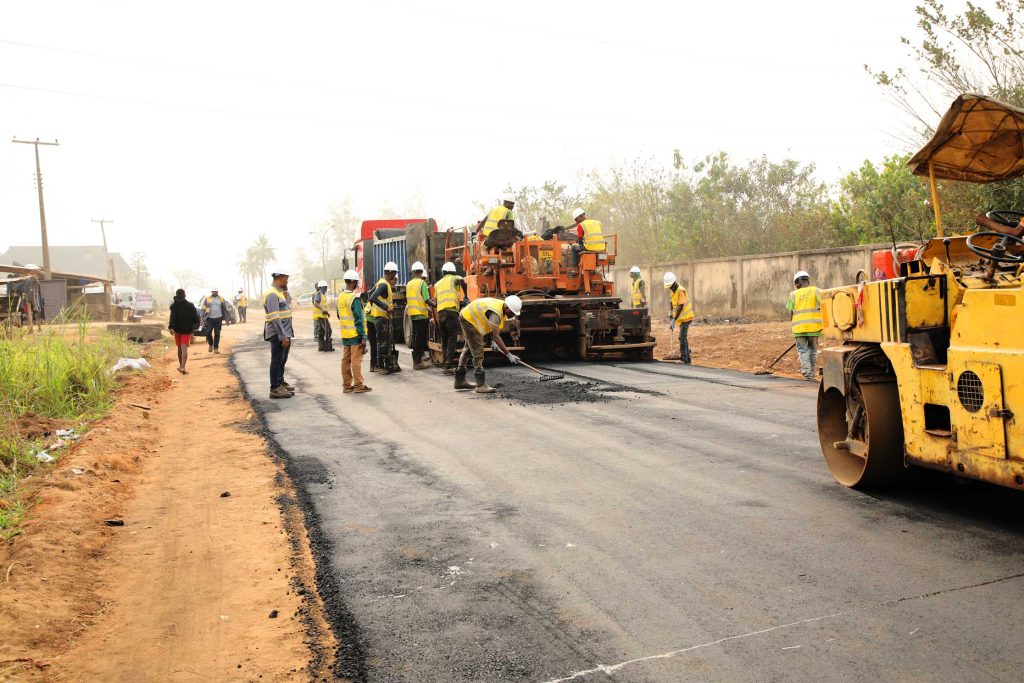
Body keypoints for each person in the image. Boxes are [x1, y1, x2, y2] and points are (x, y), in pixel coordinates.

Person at [455, 295, 522, 394]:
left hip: (468, 316)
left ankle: (460, 381)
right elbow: (496, 335)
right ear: (507, 307)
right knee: (478, 351)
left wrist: (493, 342)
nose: (512, 315)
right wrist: (508, 354)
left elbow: (493, 329)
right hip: (468, 319)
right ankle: (481, 385)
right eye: (511, 312)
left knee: (468, 348)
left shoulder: (501, 308)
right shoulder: (496, 314)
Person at [337, 269, 371, 394]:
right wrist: (363, 336)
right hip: (355, 335)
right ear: (353, 282)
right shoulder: (354, 298)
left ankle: (346, 385)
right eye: (356, 282)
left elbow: (339, 315)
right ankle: (358, 385)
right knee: (356, 362)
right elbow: (359, 319)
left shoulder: (340, 297)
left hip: (345, 335)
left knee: (345, 361)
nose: (357, 284)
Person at [263, 267, 296, 399]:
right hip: (278, 333)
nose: (287, 281)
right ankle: (274, 388)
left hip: (285, 332)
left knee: (282, 359)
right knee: (276, 360)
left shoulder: (280, 292)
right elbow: (275, 318)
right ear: (280, 278)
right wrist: (282, 336)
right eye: (286, 278)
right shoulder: (272, 294)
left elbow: (287, 306)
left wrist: (286, 293)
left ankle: (280, 382)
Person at [432, 261, 469, 374]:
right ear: (453, 272)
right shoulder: (454, 278)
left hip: (441, 314)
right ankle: (448, 365)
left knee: (445, 339)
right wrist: (466, 296)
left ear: (443, 272)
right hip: (452, 312)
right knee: (452, 339)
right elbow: (463, 281)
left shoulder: (437, 284)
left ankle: (445, 364)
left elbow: (435, 301)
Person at [787, 270, 823, 381]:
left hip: (799, 329)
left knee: (803, 350)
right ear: (808, 280)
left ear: (797, 282)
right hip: (814, 328)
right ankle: (811, 374)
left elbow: (791, 313)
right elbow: (824, 304)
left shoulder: (793, 294)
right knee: (812, 350)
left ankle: (807, 374)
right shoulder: (817, 291)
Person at [367, 261, 401, 374]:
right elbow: (372, 297)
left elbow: (369, 295)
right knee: (382, 343)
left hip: (379, 317)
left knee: (382, 342)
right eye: (394, 273)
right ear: (390, 273)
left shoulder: (381, 282)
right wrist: (386, 307)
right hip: (381, 317)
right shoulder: (383, 285)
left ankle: (379, 365)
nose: (394, 276)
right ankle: (381, 366)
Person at [663, 272, 694, 364]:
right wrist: (670, 312)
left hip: (686, 318)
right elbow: (671, 302)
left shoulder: (680, 290)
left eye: (670, 285)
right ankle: (687, 356)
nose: (669, 287)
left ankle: (685, 357)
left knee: (682, 337)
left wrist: (674, 319)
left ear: (674, 282)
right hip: (681, 318)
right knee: (683, 337)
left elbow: (680, 306)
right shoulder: (673, 291)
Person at [405, 262, 432, 370]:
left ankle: (418, 360)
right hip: (421, 314)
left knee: (416, 337)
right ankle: (417, 363)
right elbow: (426, 299)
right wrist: (436, 304)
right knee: (419, 338)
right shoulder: (422, 283)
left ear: (413, 272)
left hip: (412, 313)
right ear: (421, 272)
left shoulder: (409, 284)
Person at [168, 288, 199, 374]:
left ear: (176, 296)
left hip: (177, 330)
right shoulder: (190, 305)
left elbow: (172, 318)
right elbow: (195, 318)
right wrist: (193, 328)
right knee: (184, 347)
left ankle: (181, 366)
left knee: (179, 348)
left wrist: (171, 328)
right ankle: (183, 367)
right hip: (187, 330)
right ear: (184, 295)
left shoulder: (173, 306)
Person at [199, 287, 227, 354]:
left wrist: (227, 319)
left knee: (217, 333)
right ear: (211, 292)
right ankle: (210, 344)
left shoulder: (221, 299)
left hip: (218, 318)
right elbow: (203, 308)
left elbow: (225, 309)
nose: (215, 292)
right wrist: (202, 319)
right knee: (208, 332)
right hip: (209, 318)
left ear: (218, 292)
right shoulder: (207, 298)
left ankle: (216, 348)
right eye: (213, 291)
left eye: (216, 291)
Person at [312, 280, 334, 353]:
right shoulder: (319, 294)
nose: (326, 289)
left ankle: (321, 347)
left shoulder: (322, 295)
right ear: (321, 288)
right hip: (321, 316)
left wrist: (326, 312)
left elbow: (323, 305)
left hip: (322, 315)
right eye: (325, 287)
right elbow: (316, 303)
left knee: (321, 331)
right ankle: (327, 346)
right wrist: (322, 309)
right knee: (328, 330)